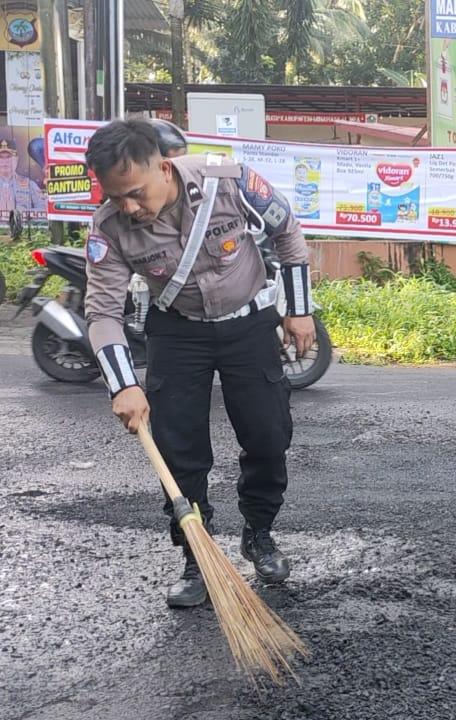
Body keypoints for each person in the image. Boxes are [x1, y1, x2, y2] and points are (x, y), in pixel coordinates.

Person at [83, 119, 316, 608]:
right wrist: (123, 386)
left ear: (163, 167)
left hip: (249, 324)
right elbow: (102, 313)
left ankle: (260, 533)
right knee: (178, 450)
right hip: (177, 330)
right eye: (115, 197)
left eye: (135, 193)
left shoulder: (228, 181)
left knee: (268, 436)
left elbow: (287, 230)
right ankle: (198, 556)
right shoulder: (109, 226)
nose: (128, 207)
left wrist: (299, 311)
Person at [0, 138, 41, 215]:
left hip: (22, 226)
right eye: (1, 157)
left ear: (16, 159)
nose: (5, 161)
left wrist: (23, 214)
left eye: (9, 157)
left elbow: (44, 208)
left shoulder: (29, 184)